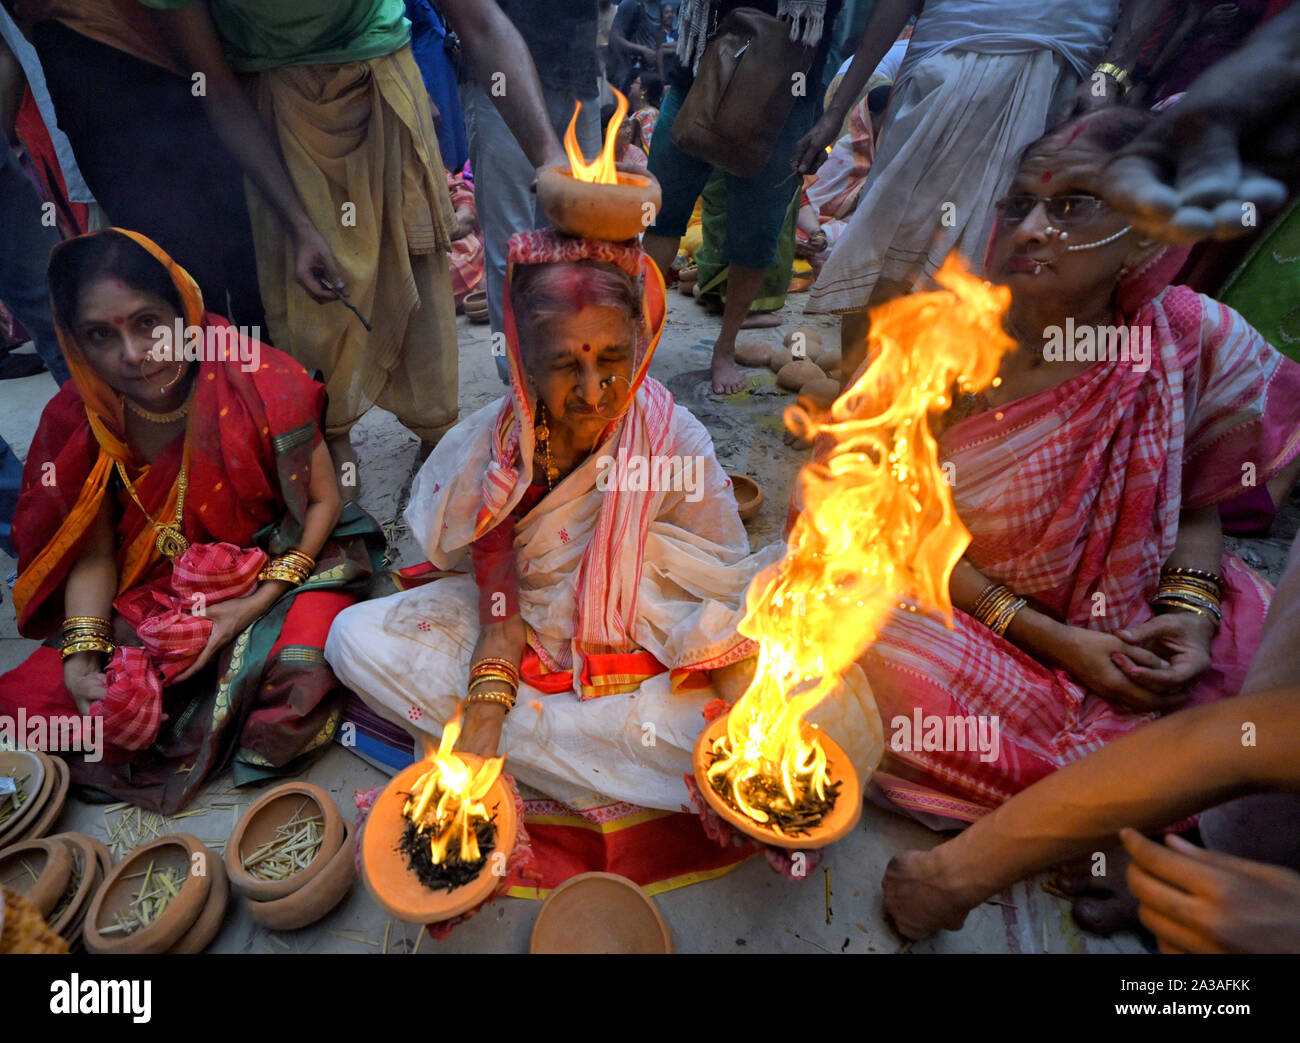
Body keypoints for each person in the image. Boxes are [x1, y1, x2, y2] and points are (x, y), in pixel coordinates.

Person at [325, 228, 880, 811]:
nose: (593, 393)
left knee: (811, 720)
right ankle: (596, 767)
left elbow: (726, 592)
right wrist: (486, 714)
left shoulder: (674, 440)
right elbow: (498, 613)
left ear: (640, 345)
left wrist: (746, 712)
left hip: (656, 648)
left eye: (612, 361)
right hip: (526, 636)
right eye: (566, 366)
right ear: (525, 363)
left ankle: (568, 760)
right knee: (352, 638)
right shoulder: (498, 460)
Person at [854, 109, 1300, 827]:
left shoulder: (1182, 339)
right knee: (847, 629)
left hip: (1130, 627)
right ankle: (1101, 797)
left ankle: (1096, 792)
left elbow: (1195, 505)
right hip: (963, 612)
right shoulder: (947, 337)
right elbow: (901, 528)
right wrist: (1057, 641)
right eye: (1021, 205)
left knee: (1266, 701)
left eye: (1070, 206)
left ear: (1145, 232)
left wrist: (1188, 616)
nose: (1030, 231)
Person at [0, 229, 382, 813]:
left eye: (150, 322)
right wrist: (82, 657)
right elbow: (97, 554)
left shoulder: (256, 377)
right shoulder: (83, 418)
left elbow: (325, 504)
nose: (133, 354)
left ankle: (215, 700)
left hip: (287, 560)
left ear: (186, 309)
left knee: (292, 697)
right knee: (25, 711)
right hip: (160, 592)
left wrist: (245, 610)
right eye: (101, 335)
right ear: (75, 343)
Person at [144, 0, 571, 485]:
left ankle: (441, 451)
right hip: (279, 111)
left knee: (420, 290)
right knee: (313, 316)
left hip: (384, 84)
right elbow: (214, 87)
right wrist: (298, 225)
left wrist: (549, 158)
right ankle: (332, 465)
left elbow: (483, 23)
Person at [798, 0, 1172, 384]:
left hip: (1055, 72)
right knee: (882, 251)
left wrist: (1109, 75)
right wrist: (834, 111)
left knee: (993, 268)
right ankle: (854, 403)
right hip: (939, 69)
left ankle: (936, 418)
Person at [642, 0, 845, 393]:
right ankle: (639, 339)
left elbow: (842, 27)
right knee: (661, 211)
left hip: (787, 93)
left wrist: (830, 114)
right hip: (702, 70)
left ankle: (725, 347)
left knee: (757, 229)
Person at [460, 0, 602, 383]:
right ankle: (520, 386)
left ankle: (573, 372)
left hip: (577, 72)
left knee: (582, 243)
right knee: (512, 251)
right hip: (498, 81)